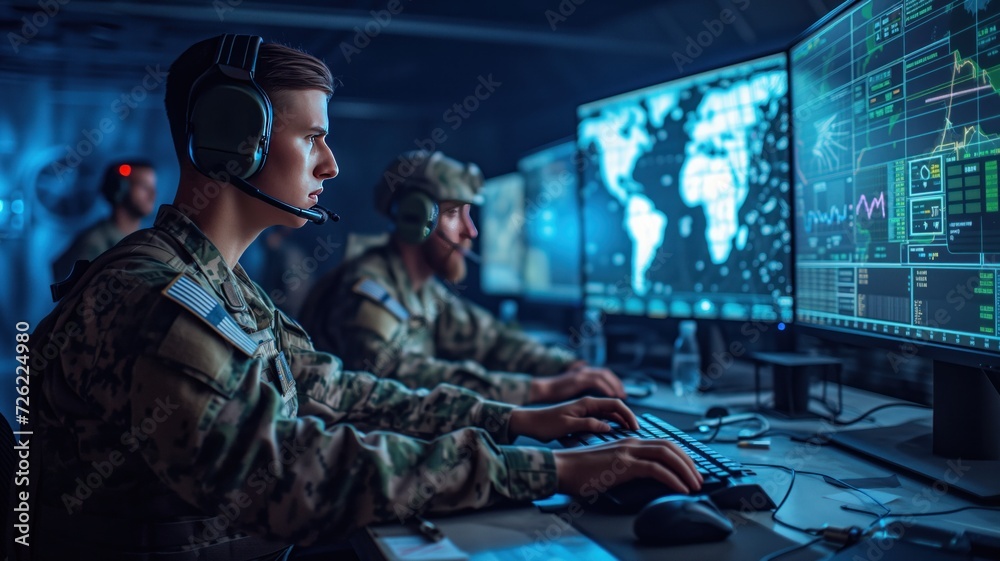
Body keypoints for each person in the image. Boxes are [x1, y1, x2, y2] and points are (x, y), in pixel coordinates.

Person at [29, 35, 702, 560]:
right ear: (235, 138)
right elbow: (285, 478)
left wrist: (518, 422)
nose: (331, 164)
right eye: (312, 137)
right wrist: (546, 469)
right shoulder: (156, 299)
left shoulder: (220, 284)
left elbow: (342, 392)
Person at [299, 150, 627, 405]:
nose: (471, 231)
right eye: (455, 214)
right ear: (415, 217)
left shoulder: (424, 291)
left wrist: (568, 369)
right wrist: (540, 389)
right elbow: (397, 376)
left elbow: (493, 339)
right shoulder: (367, 289)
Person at [51, 159, 158, 281]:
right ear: (120, 189)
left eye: (153, 187)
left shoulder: (145, 241)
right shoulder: (94, 242)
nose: (153, 195)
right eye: (144, 186)